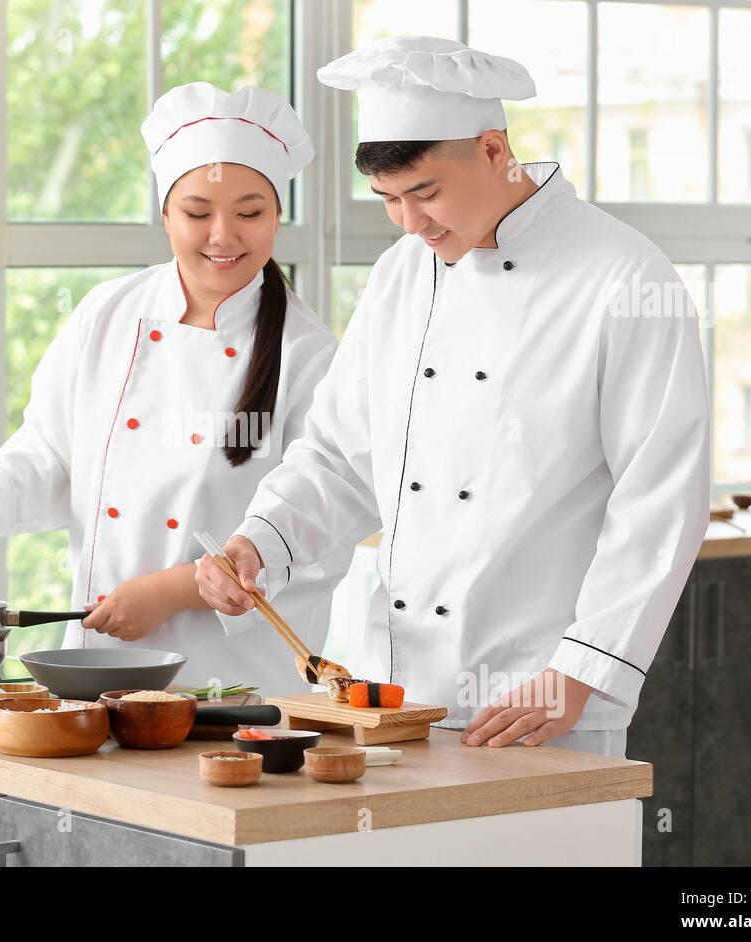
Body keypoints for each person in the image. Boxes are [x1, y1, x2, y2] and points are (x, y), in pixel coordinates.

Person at [196, 36, 711, 757]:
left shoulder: (623, 278)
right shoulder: (401, 273)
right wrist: (262, 540)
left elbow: (660, 497)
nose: (411, 223)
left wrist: (584, 670)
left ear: (495, 151)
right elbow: (342, 457)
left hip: (533, 699)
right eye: (388, 201)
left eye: (425, 193)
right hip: (382, 696)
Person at [0, 82, 348, 697]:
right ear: (166, 214)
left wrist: (173, 591)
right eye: (198, 213)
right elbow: (52, 452)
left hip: (227, 691)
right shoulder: (108, 313)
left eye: (250, 213)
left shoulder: (308, 354)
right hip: (95, 672)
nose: (223, 235)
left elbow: (316, 525)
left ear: (278, 216)